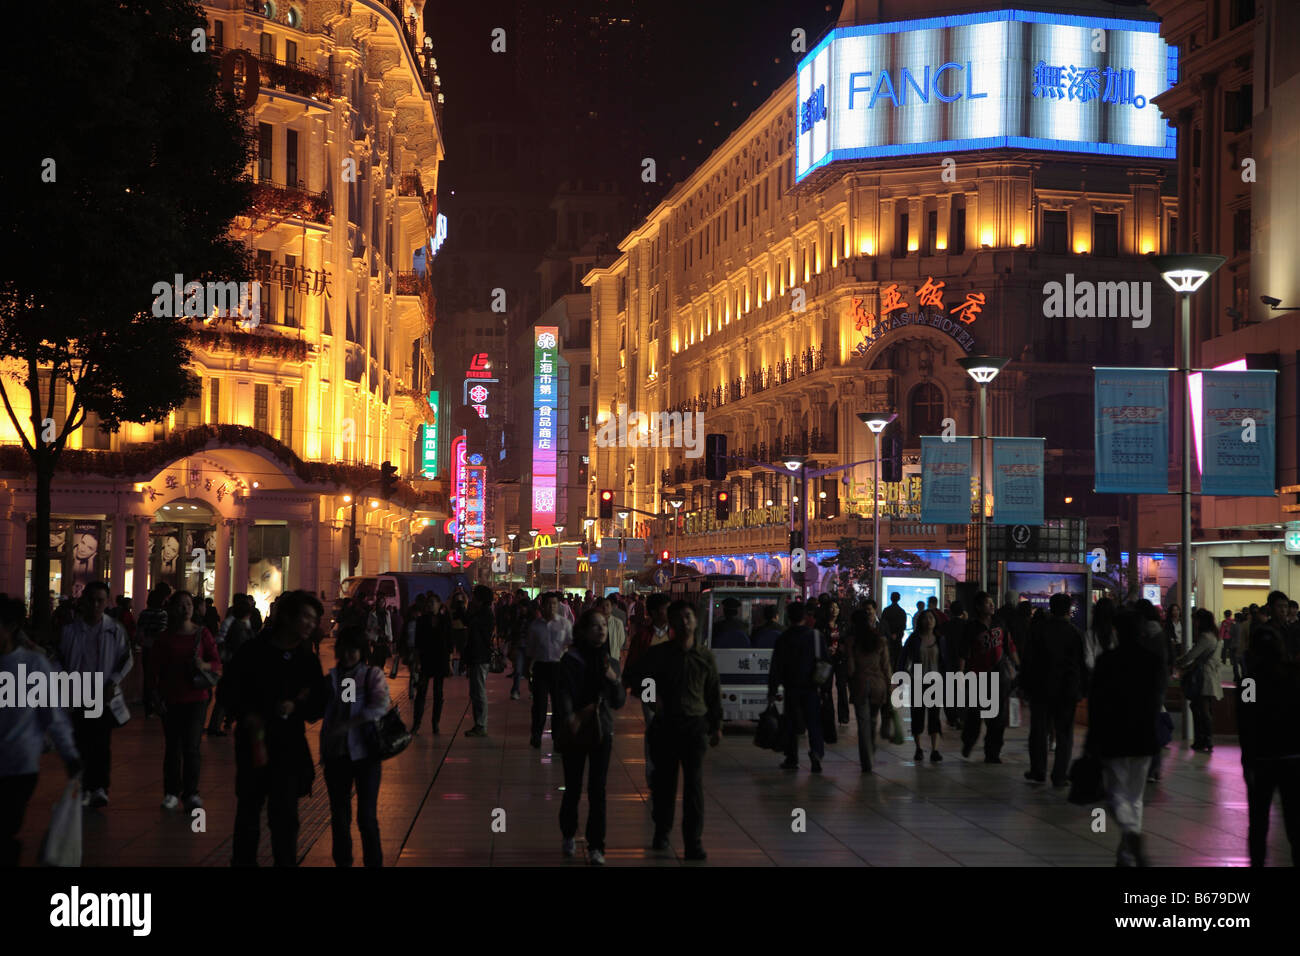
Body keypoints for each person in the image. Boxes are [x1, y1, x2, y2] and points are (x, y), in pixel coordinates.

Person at [222, 590, 327, 867]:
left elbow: (318, 705)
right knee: (248, 814)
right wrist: (247, 714)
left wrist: (298, 707)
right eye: (305, 617)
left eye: (313, 620)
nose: (309, 624)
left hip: (288, 748)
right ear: (288, 617)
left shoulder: (307, 660)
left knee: (285, 819)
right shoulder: (253, 652)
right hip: (254, 744)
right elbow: (228, 691)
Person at [628, 600, 721, 860]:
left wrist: (716, 726)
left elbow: (714, 693)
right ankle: (662, 830)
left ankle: (693, 841)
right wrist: (651, 697)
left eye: (689, 616)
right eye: (679, 618)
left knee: (694, 787)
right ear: (671, 622)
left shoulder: (704, 657)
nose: (685, 622)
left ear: (695, 620)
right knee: (664, 785)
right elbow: (635, 676)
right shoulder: (660, 655)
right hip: (666, 725)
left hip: (695, 726)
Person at [0, 597, 81, 867]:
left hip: (18, 765)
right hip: (17, 761)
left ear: (10, 626)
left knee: (6, 829)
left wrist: (69, 754)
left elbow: (53, 716)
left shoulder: (33, 666)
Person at [1086, 609, 1165, 866]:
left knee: (1116, 794)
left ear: (1117, 631)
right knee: (1136, 797)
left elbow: (1097, 704)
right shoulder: (1152, 661)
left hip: (1115, 735)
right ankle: (1127, 853)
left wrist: (1092, 741)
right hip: (1143, 735)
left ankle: (1131, 835)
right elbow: (1156, 699)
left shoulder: (1108, 661)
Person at [555, 610, 626, 865]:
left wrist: (613, 678)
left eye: (604, 625)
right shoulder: (570, 660)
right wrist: (569, 717)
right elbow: (562, 693)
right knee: (572, 787)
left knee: (598, 789)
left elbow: (619, 701)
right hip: (576, 729)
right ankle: (568, 833)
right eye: (595, 626)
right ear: (583, 631)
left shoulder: (610, 661)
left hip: (601, 731)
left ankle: (597, 846)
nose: (601, 630)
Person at [1238, 589, 1300, 865]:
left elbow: (1245, 721)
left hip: (1261, 760)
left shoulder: (1250, 683)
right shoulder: (1292, 677)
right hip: (1291, 758)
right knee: (1294, 822)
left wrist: (1247, 758)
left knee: (1259, 822)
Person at [58, 581, 132, 809]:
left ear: (107, 601)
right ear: (84, 601)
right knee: (80, 742)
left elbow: (126, 659)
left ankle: (99, 786)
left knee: (100, 743)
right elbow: (59, 659)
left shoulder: (115, 630)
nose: (95, 605)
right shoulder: (70, 631)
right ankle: (82, 787)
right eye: (91, 600)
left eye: (100, 600)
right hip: (77, 694)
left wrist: (113, 682)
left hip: (102, 694)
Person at [320, 626, 390, 867]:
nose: (349, 654)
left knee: (366, 818)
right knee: (339, 817)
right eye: (345, 649)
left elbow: (380, 706)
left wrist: (348, 725)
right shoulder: (330, 678)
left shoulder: (372, 675)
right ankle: (343, 862)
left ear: (362, 651)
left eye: (354, 650)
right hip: (336, 755)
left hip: (366, 754)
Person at [147, 590, 221, 810]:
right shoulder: (164, 638)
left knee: (191, 746)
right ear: (172, 609)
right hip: (171, 698)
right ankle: (171, 792)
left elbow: (216, 662)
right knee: (173, 747)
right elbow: (153, 670)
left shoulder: (202, 634)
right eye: (181, 605)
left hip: (197, 697)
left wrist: (204, 666)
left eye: (189, 604)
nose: (186, 608)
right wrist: (154, 696)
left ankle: (191, 792)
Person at [1022, 593, 1085, 787]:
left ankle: (1038, 770)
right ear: (1068, 610)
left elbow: (1028, 661)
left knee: (1039, 731)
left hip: (1041, 689)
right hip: (1065, 691)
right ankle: (1059, 774)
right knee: (1064, 733)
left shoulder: (1038, 630)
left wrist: (1025, 686)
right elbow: (1079, 665)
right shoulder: (1074, 633)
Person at [958, 591, 1018, 764]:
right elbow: (963, 653)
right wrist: (960, 676)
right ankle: (968, 741)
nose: (992, 605)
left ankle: (993, 753)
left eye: (992, 602)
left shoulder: (1000, 623)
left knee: (997, 718)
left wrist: (1016, 666)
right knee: (975, 715)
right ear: (978, 607)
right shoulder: (971, 627)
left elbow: (1010, 647)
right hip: (978, 677)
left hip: (999, 676)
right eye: (987, 603)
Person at [768, 602, 828, 773]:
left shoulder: (783, 638)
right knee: (814, 723)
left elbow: (776, 666)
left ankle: (791, 757)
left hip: (792, 688)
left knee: (791, 723)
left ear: (788, 617)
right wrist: (824, 689)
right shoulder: (816, 637)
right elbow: (825, 663)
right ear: (805, 617)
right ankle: (816, 753)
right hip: (812, 688)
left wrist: (772, 690)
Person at [623, 592, 673, 792]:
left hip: (670, 687)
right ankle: (652, 772)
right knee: (652, 725)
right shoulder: (643, 636)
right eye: (664, 609)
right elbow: (633, 662)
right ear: (654, 612)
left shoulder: (675, 632)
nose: (668, 613)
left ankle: (666, 767)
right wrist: (627, 683)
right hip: (649, 686)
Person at [844, 608, 891, 772]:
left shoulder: (851, 642)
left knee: (863, 724)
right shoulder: (880, 640)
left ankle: (867, 760)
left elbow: (850, 669)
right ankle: (871, 747)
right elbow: (886, 667)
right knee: (872, 721)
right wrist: (890, 686)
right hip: (878, 686)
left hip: (860, 685)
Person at [527, 592, 573, 748]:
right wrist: (529, 671)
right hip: (541, 667)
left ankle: (558, 737)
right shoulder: (535, 626)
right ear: (542, 605)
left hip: (559, 667)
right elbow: (531, 649)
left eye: (554, 603)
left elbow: (570, 645)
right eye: (548, 603)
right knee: (539, 704)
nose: (551, 607)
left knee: (559, 705)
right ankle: (536, 735)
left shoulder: (565, 624)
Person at [899, 609, 943, 763]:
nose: (929, 621)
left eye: (931, 618)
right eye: (926, 618)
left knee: (934, 716)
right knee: (917, 715)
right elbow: (903, 658)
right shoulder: (914, 639)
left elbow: (945, 661)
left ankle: (935, 750)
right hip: (918, 680)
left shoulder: (939, 639)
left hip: (936, 682)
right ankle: (918, 748)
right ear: (921, 622)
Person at [1176, 608, 1223, 753]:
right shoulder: (1214, 636)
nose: (1194, 623)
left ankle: (1204, 739)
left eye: (1195, 620)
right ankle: (1204, 739)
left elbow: (1192, 655)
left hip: (1204, 677)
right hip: (1210, 676)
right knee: (1203, 709)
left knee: (1201, 710)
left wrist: (1178, 662)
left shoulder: (1205, 637)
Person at [411, 594, 452, 734]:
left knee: (438, 694)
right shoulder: (422, 620)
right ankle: (416, 723)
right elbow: (417, 642)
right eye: (429, 603)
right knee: (421, 693)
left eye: (433, 602)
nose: (430, 605)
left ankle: (435, 723)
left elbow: (449, 643)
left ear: (440, 604)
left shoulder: (445, 620)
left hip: (440, 660)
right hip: (425, 660)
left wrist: (450, 662)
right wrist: (416, 661)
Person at [460, 586, 496, 737]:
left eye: (475, 597)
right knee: (475, 691)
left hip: (480, 657)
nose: (473, 600)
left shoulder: (485, 614)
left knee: (479, 691)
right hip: (477, 656)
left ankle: (481, 725)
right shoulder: (482, 612)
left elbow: (469, 623)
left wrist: (464, 606)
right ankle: (478, 724)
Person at [134, 583, 171, 716]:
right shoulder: (162, 614)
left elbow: (139, 631)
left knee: (147, 676)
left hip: (146, 647)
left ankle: (147, 704)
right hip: (159, 649)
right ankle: (157, 703)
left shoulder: (144, 613)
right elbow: (162, 632)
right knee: (160, 676)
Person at [816, 600, 849, 725]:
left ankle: (843, 716)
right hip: (826, 660)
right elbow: (818, 640)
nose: (834, 610)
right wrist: (825, 649)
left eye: (836, 607)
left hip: (840, 659)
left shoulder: (843, 624)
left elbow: (847, 640)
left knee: (841, 687)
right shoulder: (821, 625)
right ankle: (827, 713)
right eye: (831, 607)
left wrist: (841, 647)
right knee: (826, 688)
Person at [598, 596, 627, 666]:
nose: (605, 607)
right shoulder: (597, 621)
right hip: (599, 654)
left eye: (607, 605)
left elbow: (621, 640)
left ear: (611, 607)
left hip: (613, 654)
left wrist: (615, 648)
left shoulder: (618, 622)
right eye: (603, 606)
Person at [881, 592, 907, 669]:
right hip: (898, 638)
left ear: (891, 598)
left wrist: (889, 634)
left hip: (887, 638)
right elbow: (903, 626)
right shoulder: (902, 611)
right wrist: (896, 634)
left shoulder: (886, 610)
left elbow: (883, 624)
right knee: (897, 659)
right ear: (899, 599)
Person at [1219, 609, 1241, 684]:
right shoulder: (1233, 621)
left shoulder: (1224, 622)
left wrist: (1221, 637)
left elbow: (1222, 630)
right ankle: (1232, 661)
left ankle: (1224, 660)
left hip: (1226, 638)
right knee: (1231, 652)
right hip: (1232, 639)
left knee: (1225, 649)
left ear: (1225, 615)